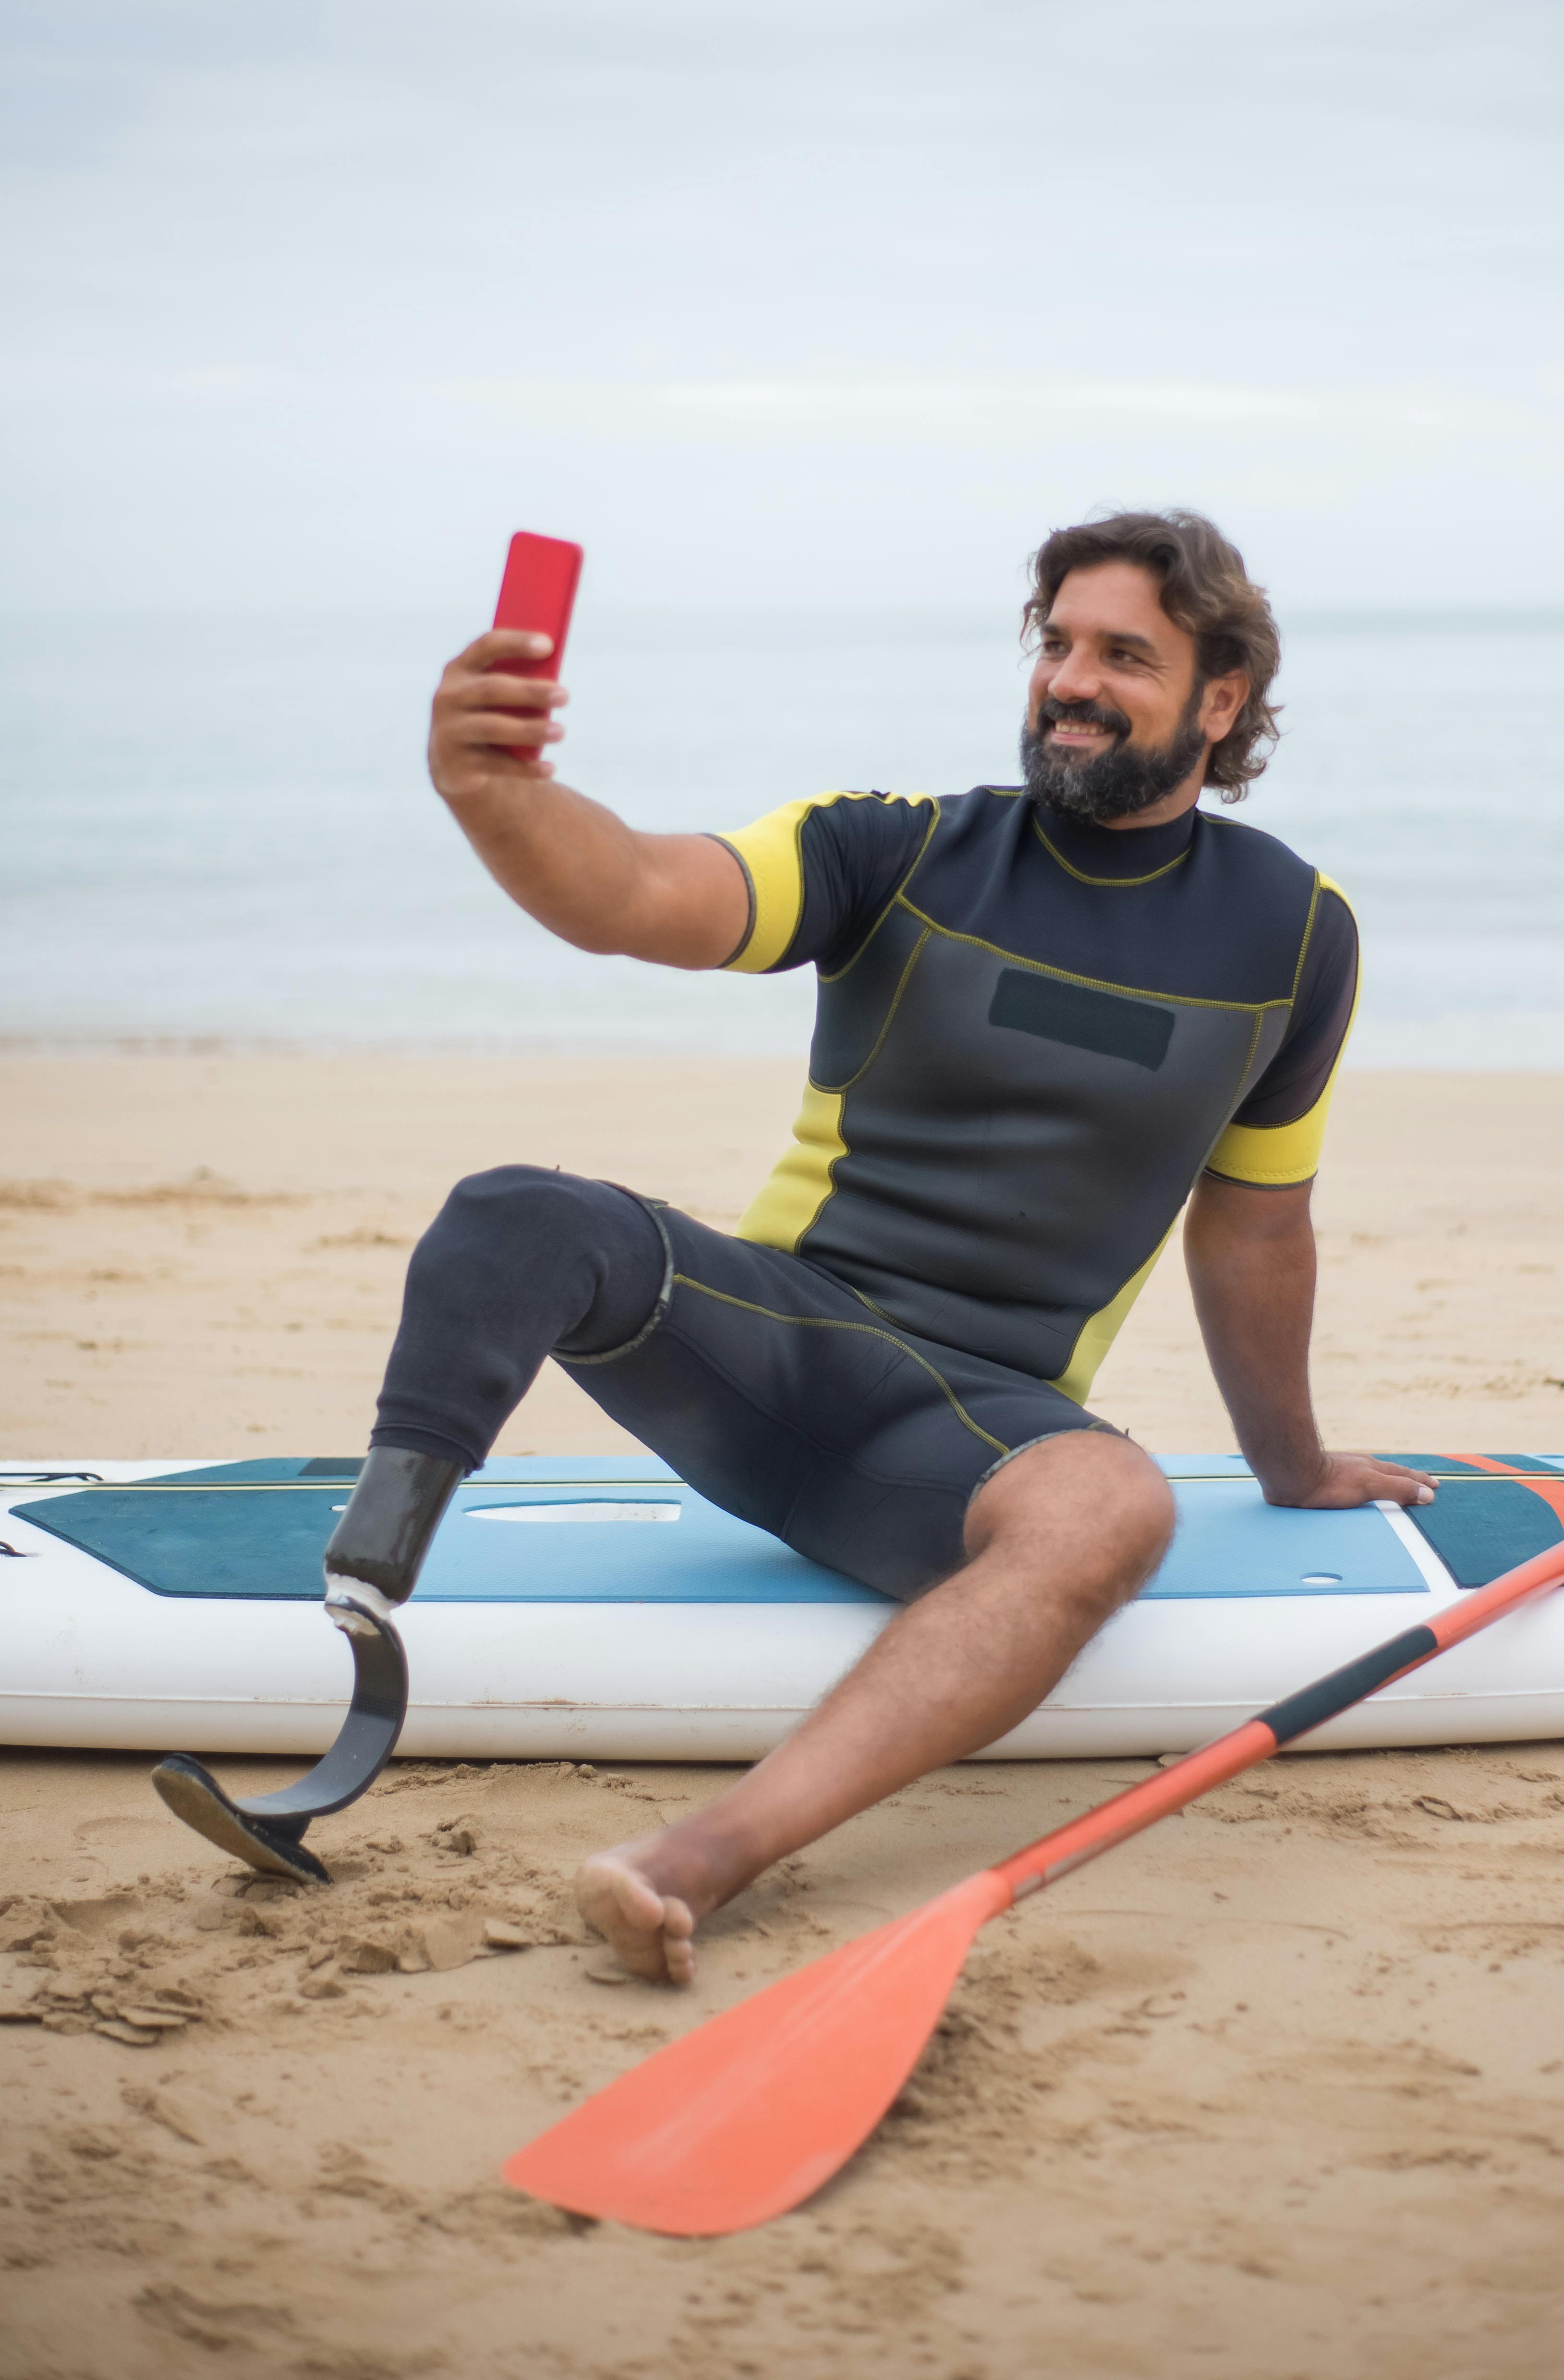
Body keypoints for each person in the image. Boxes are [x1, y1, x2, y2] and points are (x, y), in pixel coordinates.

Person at [324, 508, 1436, 1981]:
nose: (1071, 679)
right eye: (1055, 643)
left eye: (1124, 654)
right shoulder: (902, 849)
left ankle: (708, 1854)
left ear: (1220, 700)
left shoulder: (1295, 935)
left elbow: (1256, 1228)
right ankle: (365, 1598)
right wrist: (489, 786)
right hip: (772, 1338)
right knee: (519, 1216)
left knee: (1115, 1507)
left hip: (972, 1430)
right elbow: (638, 894)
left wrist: (1293, 1467)